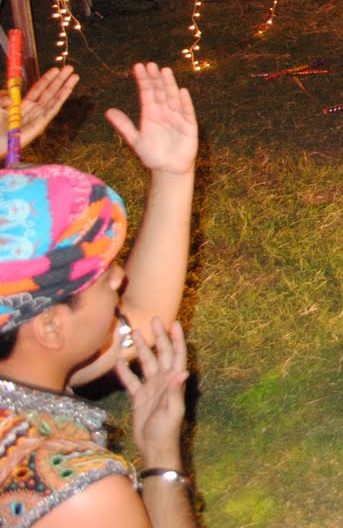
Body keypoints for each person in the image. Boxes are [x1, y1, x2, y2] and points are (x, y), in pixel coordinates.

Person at [0, 62, 202, 528]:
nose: (119, 278)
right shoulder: (72, 493)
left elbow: (143, 319)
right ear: (50, 326)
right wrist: (161, 461)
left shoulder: (21, 360)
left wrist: (173, 174)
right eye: (99, 274)